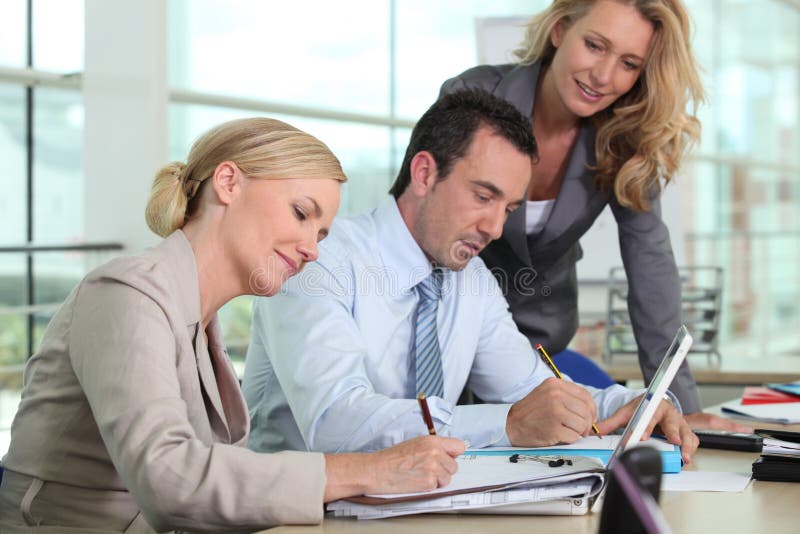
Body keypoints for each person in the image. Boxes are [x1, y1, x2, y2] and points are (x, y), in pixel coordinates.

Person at [0, 118, 465, 533]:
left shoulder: (200, 321)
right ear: (228, 182)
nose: (313, 249)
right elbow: (170, 479)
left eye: (321, 234)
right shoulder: (126, 293)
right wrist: (367, 470)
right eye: (302, 214)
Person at [241, 89, 698, 463]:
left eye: (509, 208)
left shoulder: (471, 280)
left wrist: (631, 405)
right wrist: (506, 424)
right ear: (424, 173)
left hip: (419, 508)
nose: (496, 228)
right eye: (484, 196)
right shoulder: (319, 259)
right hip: (296, 518)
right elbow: (333, 424)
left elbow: (534, 392)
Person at [439, 0, 750, 431]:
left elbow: (650, 262)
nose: (603, 76)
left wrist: (678, 399)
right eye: (594, 45)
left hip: (534, 352)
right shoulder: (472, 98)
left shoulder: (623, 139)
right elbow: (423, 220)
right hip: (443, 339)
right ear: (560, 30)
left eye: (628, 63)